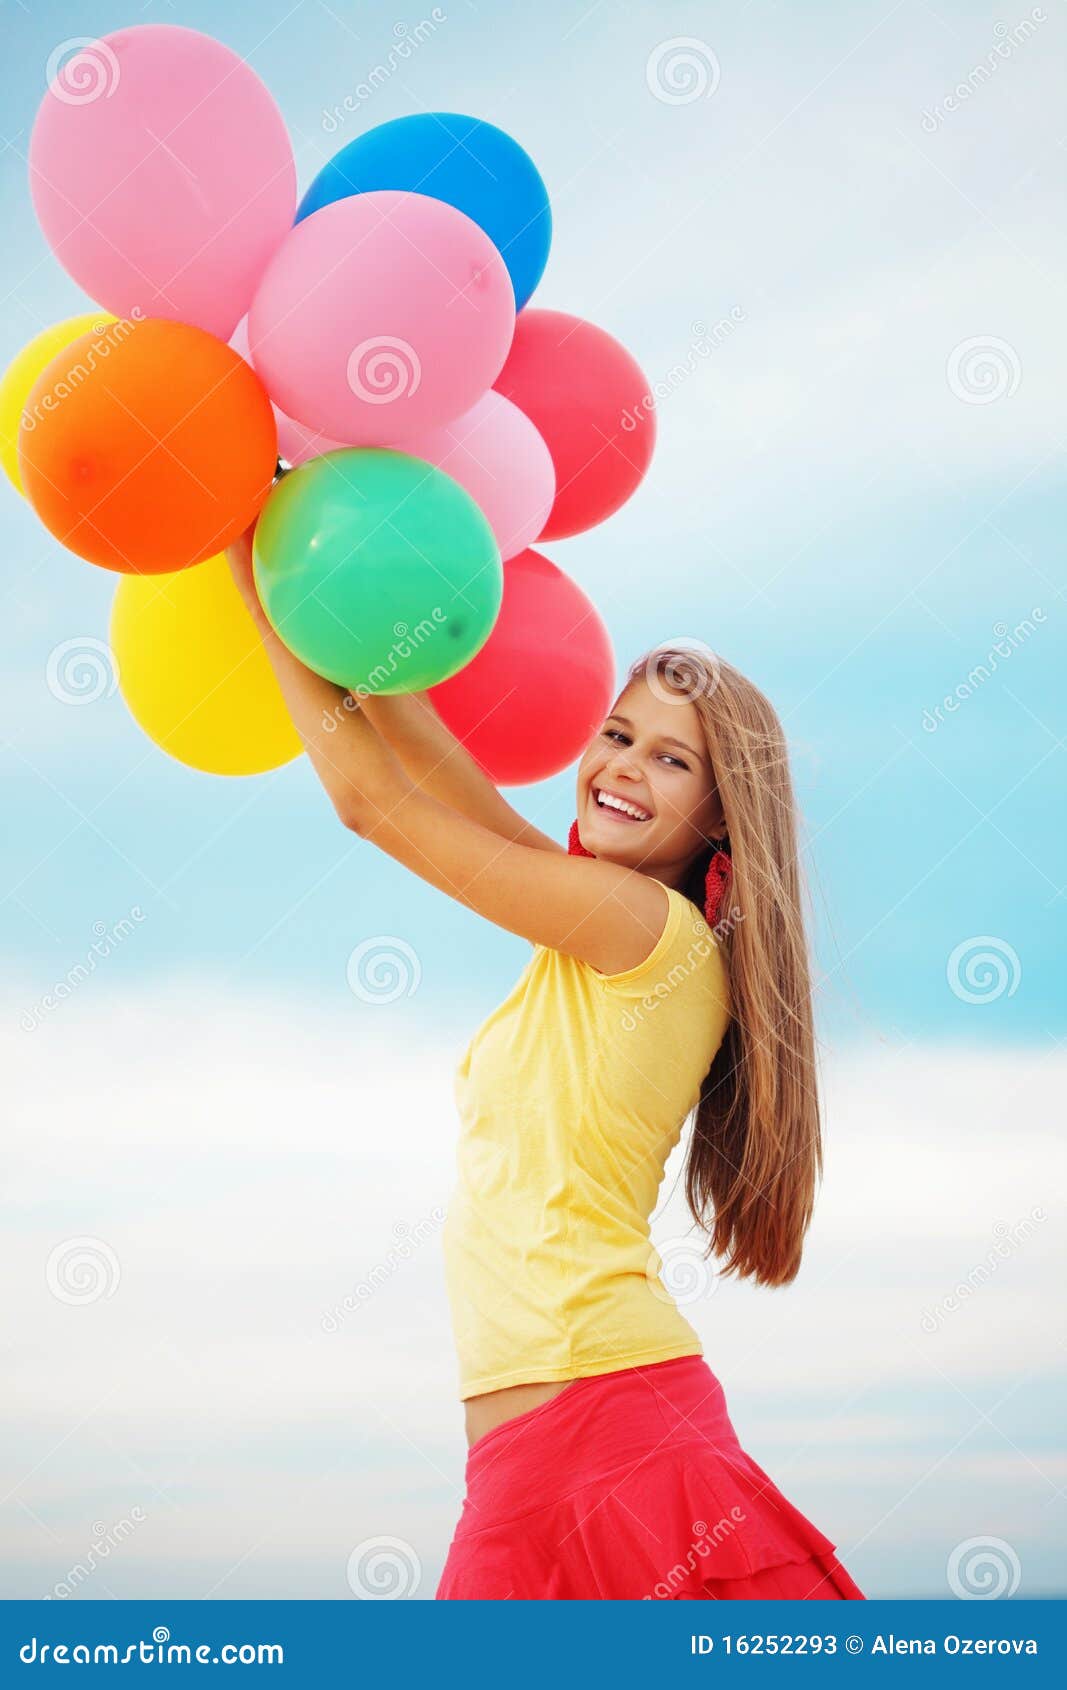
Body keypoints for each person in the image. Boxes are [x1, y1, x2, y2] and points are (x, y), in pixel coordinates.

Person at [227, 528, 864, 1601]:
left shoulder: (638, 928)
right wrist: (337, 586)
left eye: (671, 758)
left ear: (718, 814)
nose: (621, 767)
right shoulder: (602, 923)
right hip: (536, 1450)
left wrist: (253, 580)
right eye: (616, 734)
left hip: (605, 1430)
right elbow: (436, 774)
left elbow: (371, 805)